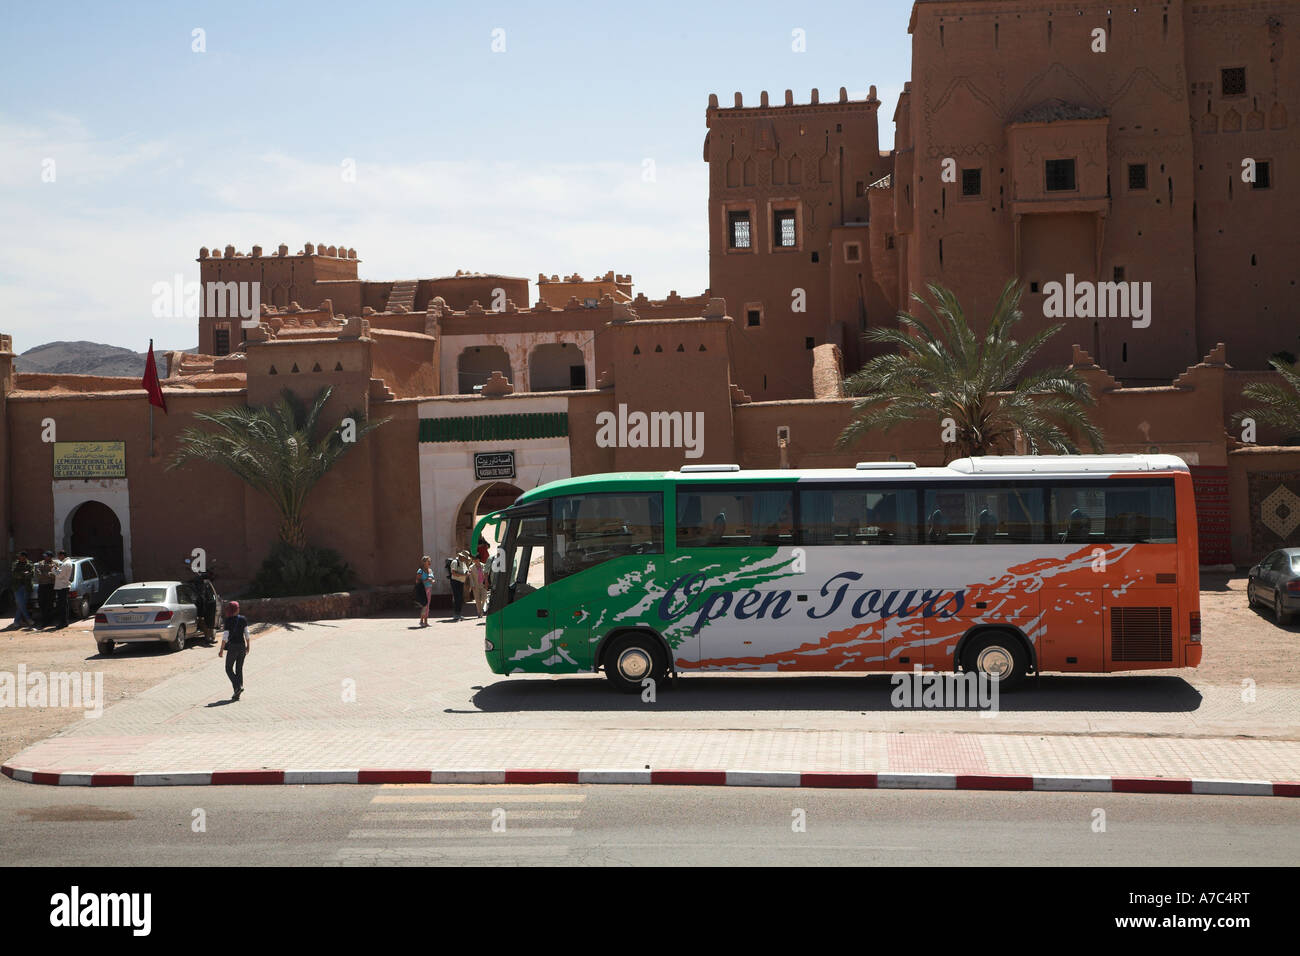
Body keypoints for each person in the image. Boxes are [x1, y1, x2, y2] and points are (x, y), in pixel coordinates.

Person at [217, 601, 249, 700]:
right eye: (238, 607)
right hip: (242, 646)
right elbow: (247, 634)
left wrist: (221, 649)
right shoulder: (243, 619)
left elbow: (225, 637)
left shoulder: (228, 621)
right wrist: (248, 646)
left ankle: (238, 686)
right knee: (239, 669)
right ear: (237, 609)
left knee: (228, 668)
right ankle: (238, 692)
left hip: (233, 648)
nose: (239, 608)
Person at [10, 552, 36, 629]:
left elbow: (32, 574)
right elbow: (14, 574)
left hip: (27, 587)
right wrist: (23, 574)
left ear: (25, 557)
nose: (19, 558)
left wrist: (27, 574)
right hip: (17, 587)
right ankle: (28, 619)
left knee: (22, 604)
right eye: (19, 557)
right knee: (20, 603)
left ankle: (16, 621)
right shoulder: (15, 564)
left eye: (21, 557)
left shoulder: (30, 564)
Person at [445, 550, 470, 622]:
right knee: (457, 598)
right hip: (455, 582)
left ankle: (458, 614)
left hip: (461, 582)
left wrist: (467, 572)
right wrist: (464, 575)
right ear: (461, 556)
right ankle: (456, 614)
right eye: (464, 557)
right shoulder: (455, 562)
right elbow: (453, 573)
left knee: (460, 598)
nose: (465, 559)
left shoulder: (463, 563)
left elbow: (466, 570)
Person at [52, 550, 73, 629]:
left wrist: (54, 569)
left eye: (59, 556)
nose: (58, 557)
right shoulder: (66, 563)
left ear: (62, 555)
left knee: (62, 606)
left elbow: (60, 575)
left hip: (62, 587)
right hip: (63, 586)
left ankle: (63, 623)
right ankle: (64, 622)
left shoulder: (66, 564)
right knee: (64, 606)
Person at [35, 552, 55, 628]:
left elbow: (55, 575)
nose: (45, 557)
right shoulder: (40, 563)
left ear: (50, 557)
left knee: (49, 604)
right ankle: (45, 620)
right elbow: (38, 574)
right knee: (41, 603)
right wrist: (47, 573)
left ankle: (48, 621)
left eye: (46, 556)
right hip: (42, 586)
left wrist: (45, 573)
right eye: (44, 556)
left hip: (50, 586)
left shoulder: (55, 564)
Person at [416, 555, 434, 627]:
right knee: (425, 605)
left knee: (427, 605)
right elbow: (417, 581)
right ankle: (424, 621)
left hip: (429, 588)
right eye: (428, 561)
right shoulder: (420, 571)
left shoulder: (430, 570)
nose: (429, 562)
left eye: (430, 561)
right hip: (423, 589)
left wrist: (432, 581)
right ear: (424, 562)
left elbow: (433, 579)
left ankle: (423, 621)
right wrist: (427, 580)